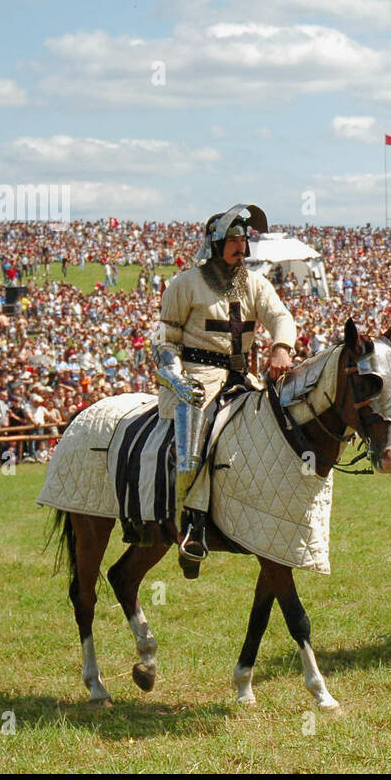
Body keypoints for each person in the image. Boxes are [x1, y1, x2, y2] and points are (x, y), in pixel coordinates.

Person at [154, 204, 297, 575]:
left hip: (242, 378)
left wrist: (281, 346)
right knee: (193, 449)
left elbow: (280, 317)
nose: (241, 248)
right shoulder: (185, 284)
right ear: (216, 245)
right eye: (233, 241)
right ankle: (189, 524)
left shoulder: (255, 284)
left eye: (243, 241)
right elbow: (165, 340)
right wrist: (178, 380)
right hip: (197, 381)